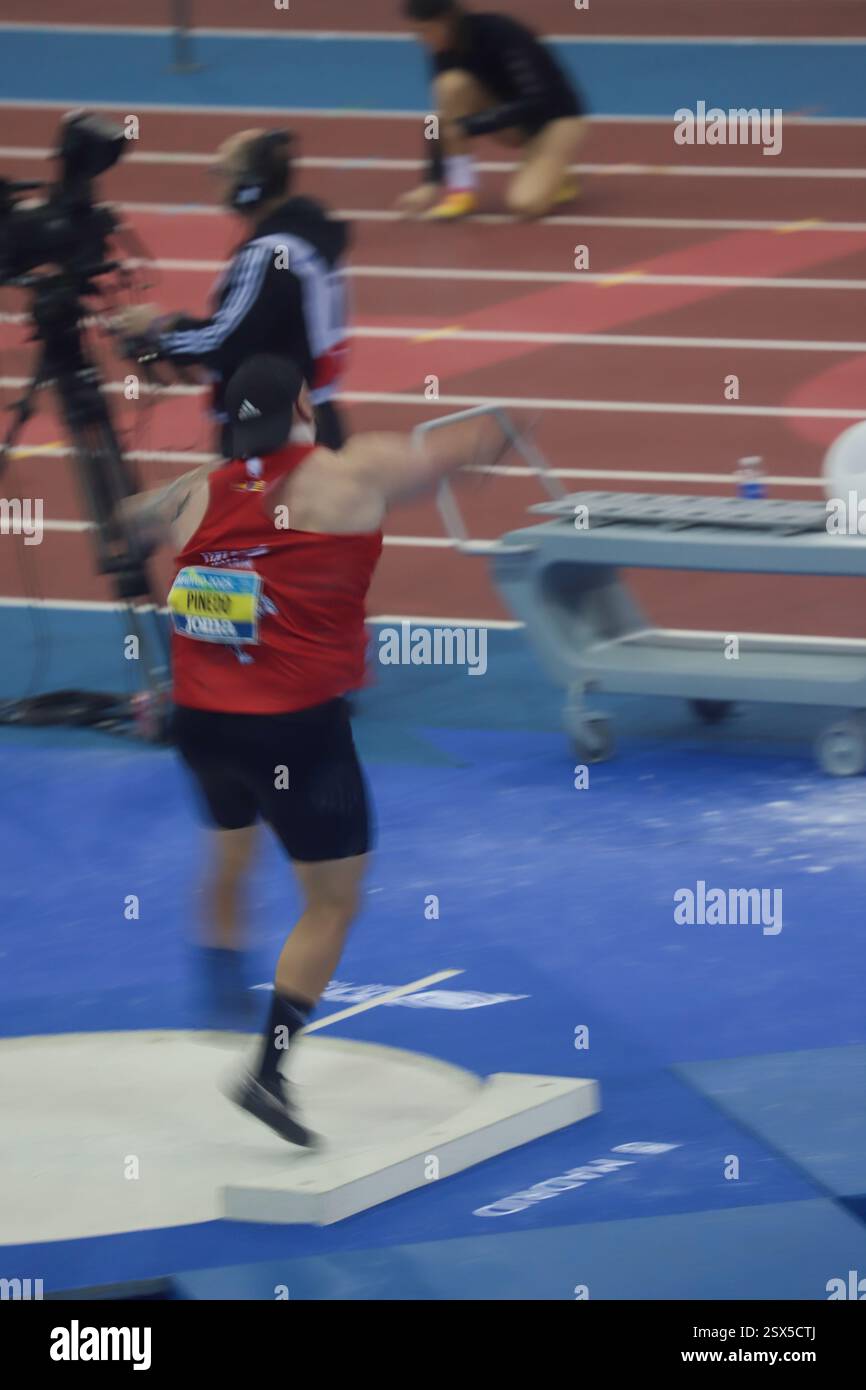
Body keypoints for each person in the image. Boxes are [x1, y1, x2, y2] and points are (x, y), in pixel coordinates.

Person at [121, 354, 526, 1143]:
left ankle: (217, 966)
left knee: (231, 840)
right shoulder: (350, 469)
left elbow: (133, 523)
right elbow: (450, 453)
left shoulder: (190, 491)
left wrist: (174, 561)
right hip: (295, 730)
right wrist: (496, 430)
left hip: (202, 724)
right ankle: (268, 1071)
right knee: (333, 901)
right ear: (305, 405)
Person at [117, 130, 351, 451]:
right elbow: (264, 330)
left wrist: (158, 330)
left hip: (272, 429)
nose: (217, 184)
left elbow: (224, 340)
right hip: (314, 415)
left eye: (223, 174)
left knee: (248, 500)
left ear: (250, 188)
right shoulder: (308, 236)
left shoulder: (267, 254)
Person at [397, 0, 588, 221]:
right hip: (511, 121)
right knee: (448, 85)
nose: (423, 40)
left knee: (525, 205)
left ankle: (560, 173)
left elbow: (538, 101)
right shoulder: (440, 50)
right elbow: (440, 120)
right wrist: (429, 183)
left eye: (426, 31)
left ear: (447, 20)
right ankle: (461, 190)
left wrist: (470, 126)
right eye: (416, 33)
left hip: (557, 118)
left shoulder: (501, 32)